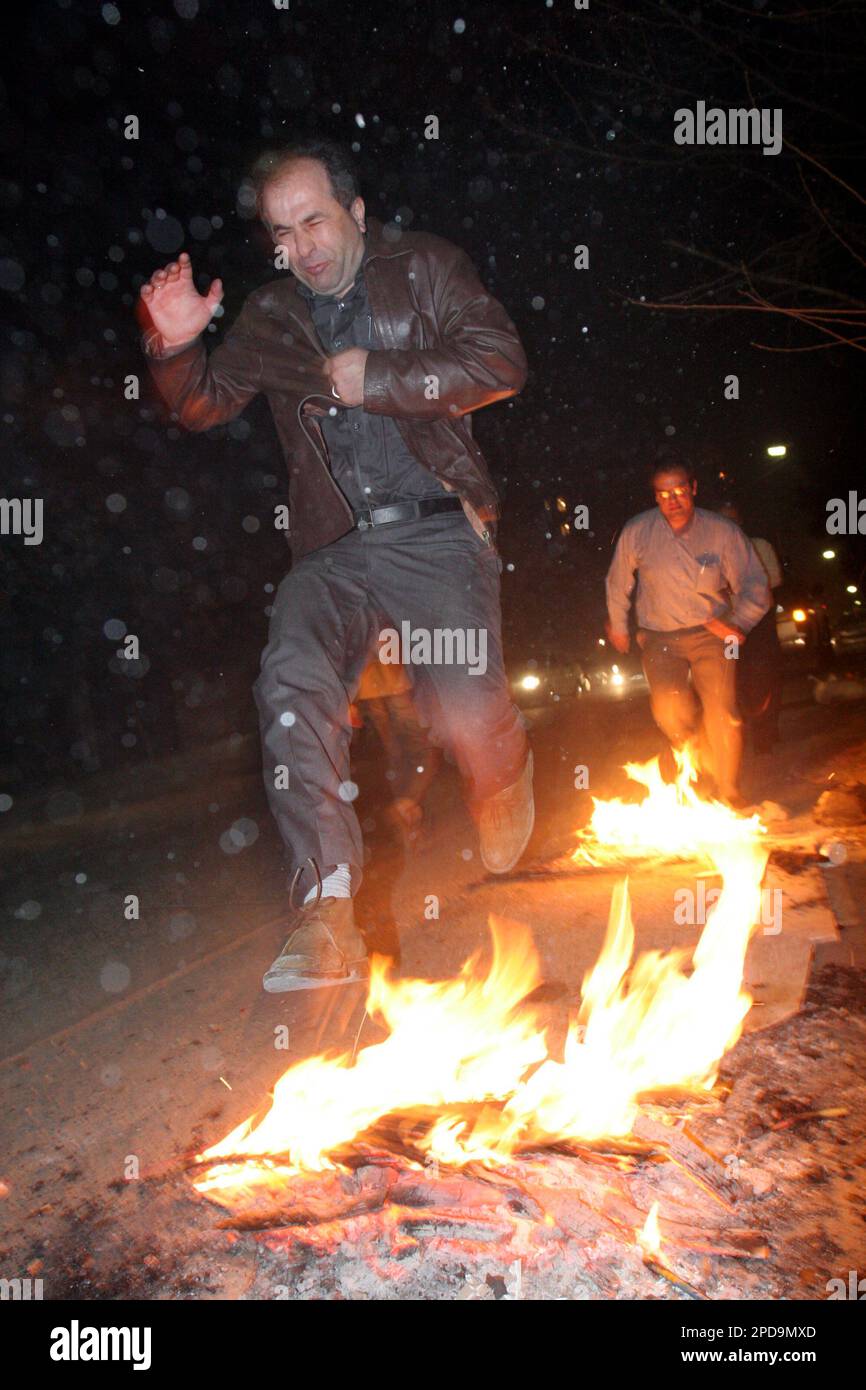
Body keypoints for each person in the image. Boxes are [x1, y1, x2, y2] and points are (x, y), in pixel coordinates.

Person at [136, 139, 534, 993]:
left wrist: (380, 376)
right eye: (281, 232)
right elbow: (204, 404)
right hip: (331, 548)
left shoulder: (426, 266)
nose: (300, 245)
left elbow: (501, 362)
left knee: (463, 708)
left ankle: (502, 772)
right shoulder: (272, 316)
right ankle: (326, 909)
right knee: (290, 681)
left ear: (355, 212)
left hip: (433, 530)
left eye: (314, 219)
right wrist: (170, 351)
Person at [605, 452, 771, 808]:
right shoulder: (638, 531)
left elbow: (755, 582)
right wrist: (619, 624)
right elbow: (617, 581)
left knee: (723, 713)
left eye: (679, 491)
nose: (672, 501)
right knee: (668, 709)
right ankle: (693, 753)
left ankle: (728, 789)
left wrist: (738, 622)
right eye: (663, 495)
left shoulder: (722, 531)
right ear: (655, 497)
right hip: (660, 636)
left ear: (693, 489)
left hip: (712, 634)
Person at [352, 639, 442, 850]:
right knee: (423, 750)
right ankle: (407, 805)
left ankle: (407, 821)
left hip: (367, 686)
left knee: (395, 754)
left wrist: (349, 699)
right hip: (395, 678)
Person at [718, 502, 783, 753]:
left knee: (763, 676)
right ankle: (744, 731)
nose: (729, 526)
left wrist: (745, 588)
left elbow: (774, 579)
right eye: (723, 521)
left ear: (740, 522)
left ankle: (765, 733)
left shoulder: (759, 546)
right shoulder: (713, 555)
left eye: (733, 520)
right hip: (730, 630)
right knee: (734, 678)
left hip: (759, 626)